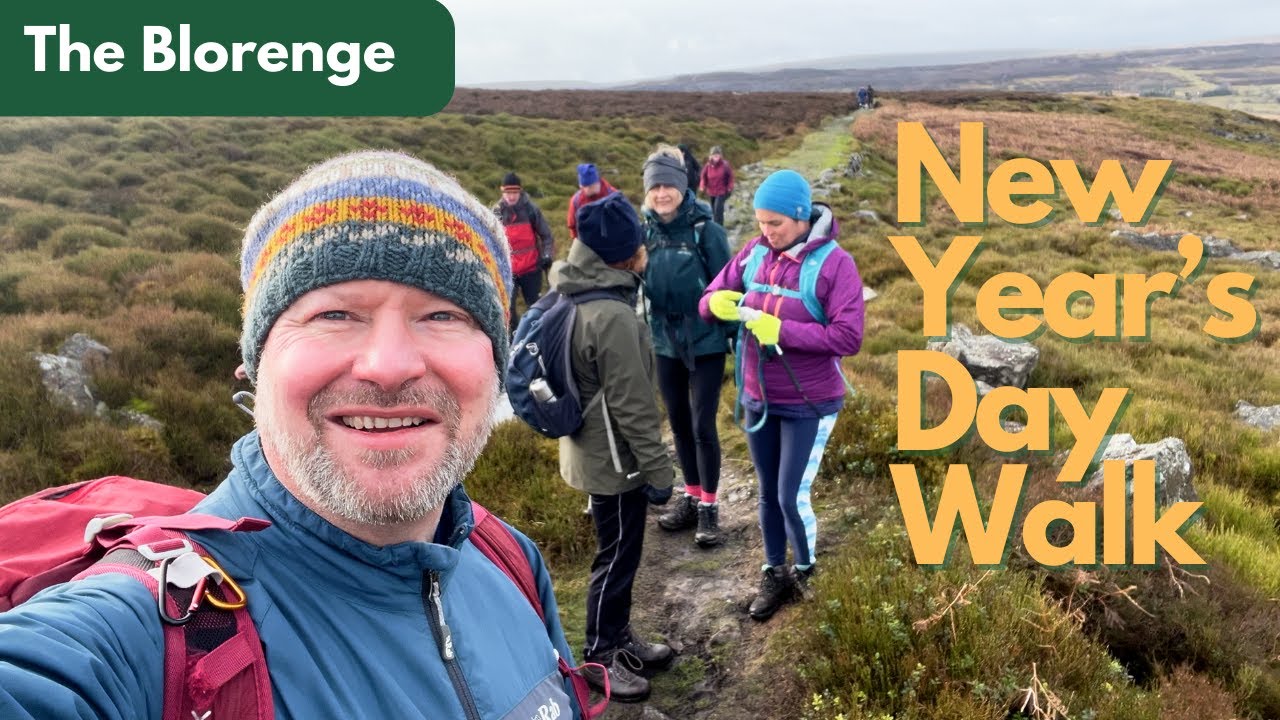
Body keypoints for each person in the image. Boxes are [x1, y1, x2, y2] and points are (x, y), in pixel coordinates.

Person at [0, 151, 587, 719]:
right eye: (334, 314)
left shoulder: (509, 558)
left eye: (443, 315)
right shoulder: (139, 635)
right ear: (256, 364)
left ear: (494, 363)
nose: (389, 365)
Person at [700, 170, 864, 622]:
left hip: (809, 402)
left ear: (800, 216)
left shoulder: (836, 265)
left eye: (775, 223)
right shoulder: (754, 253)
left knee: (791, 495)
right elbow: (711, 293)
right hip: (759, 397)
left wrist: (783, 330)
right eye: (760, 222)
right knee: (768, 493)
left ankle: (806, 570)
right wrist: (713, 304)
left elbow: (849, 336)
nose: (766, 232)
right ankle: (774, 572)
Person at [552, 191, 677, 703]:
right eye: (640, 244)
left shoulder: (574, 291)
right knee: (617, 555)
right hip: (615, 462)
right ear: (626, 254)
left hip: (592, 451)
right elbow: (634, 407)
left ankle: (619, 637)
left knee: (620, 551)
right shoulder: (612, 316)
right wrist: (660, 472)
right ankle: (600, 656)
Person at [639, 145, 732, 548]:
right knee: (677, 422)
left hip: (705, 340)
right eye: (654, 187)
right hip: (664, 340)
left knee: (701, 425)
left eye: (668, 186)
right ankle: (691, 496)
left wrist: (733, 334)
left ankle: (710, 507)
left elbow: (728, 285)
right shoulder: (644, 233)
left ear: (682, 186)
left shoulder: (706, 231)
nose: (661, 194)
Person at [494, 171, 555, 332]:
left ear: (520, 192)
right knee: (508, 311)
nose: (511, 196)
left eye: (514, 192)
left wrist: (547, 255)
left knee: (535, 307)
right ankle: (513, 339)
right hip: (508, 272)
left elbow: (547, 236)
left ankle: (537, 336)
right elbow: (491, 241)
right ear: (502, 192)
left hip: (532, 269)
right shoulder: (496, 212)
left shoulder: (531, 210)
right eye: (508, 192)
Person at [567, 162, 617, 241]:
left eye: (590, 186)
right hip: (587, 243)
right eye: (583, 187)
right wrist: (577, 241)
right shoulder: (576, 201)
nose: (586, 190)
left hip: (612, 240)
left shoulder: (613, 196)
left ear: (597, 182)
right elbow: (572, 225)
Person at [699, 146, 735, 226]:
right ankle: (716, 226)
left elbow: (730, 177)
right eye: (714, 154)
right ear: (711, 156)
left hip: (721, 191)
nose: (716, 156)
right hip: (711, 192)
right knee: (713, 211)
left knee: (718, 210)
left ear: (720, 155)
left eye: (717, 154)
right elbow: (703, 177)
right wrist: (702, 185)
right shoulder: (708, 166)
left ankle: (719, 227)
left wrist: (730, 187)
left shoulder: (725, 165)